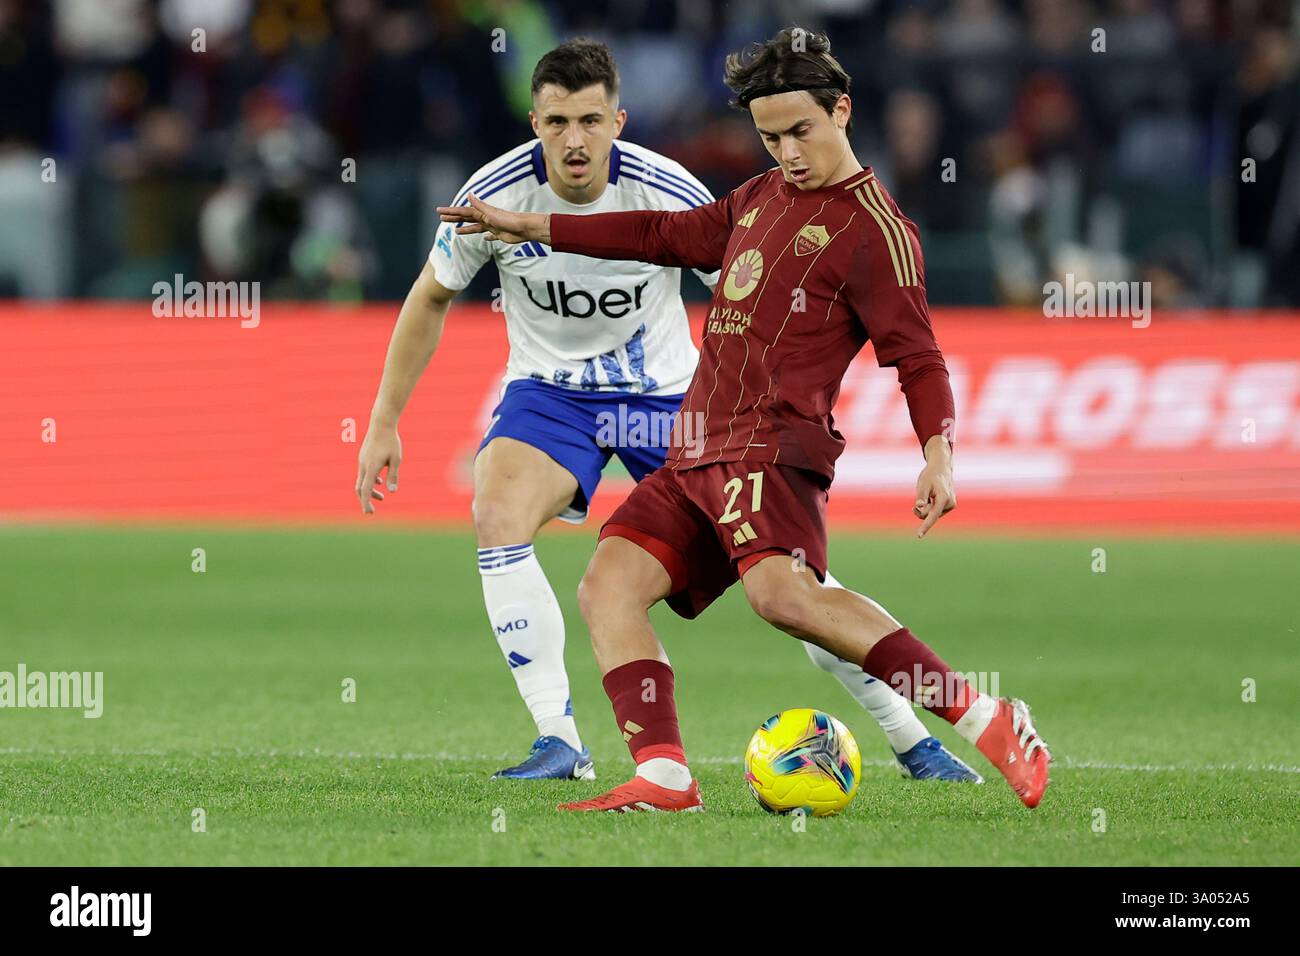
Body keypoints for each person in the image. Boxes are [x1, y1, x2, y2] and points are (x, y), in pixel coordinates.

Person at [438, 28, 1051, 812]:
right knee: (609, 584)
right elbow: (662, 235)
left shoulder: (879, 232)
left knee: (783, 598)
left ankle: (990, 718)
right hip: (696, 445)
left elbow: (918, 357)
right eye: (770, 137)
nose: (788, 152)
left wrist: (940, 453)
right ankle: (664, 774)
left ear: (843, 111)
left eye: (802, 131)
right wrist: (535, 225)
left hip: (772, 448)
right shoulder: (759, 197)